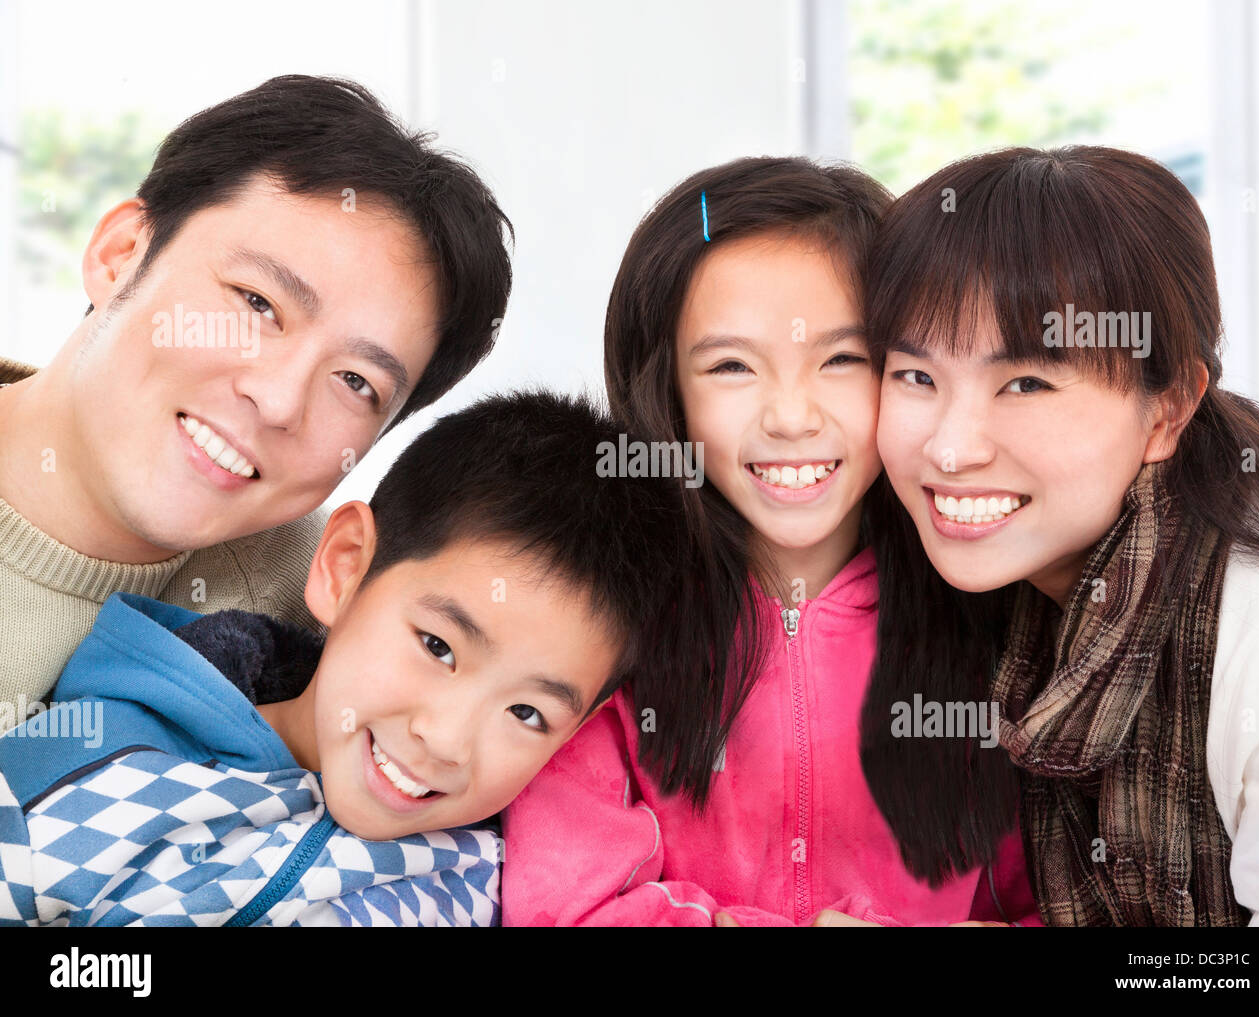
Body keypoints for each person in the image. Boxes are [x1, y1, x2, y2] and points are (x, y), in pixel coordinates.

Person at [502, 157, 1038, 926]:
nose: (791, 416)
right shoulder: (600, 621)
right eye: (730, 365)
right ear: (670, 395)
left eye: (842, 358)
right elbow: (563, 907)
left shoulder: (1000, 618)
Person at [0, 391, 690, 925]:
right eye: (438, 646)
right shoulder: (93, 765)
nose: (446, 739)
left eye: (526, 712)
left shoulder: (501, 877)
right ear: (343, 567)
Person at [862, 145, 1259, 925]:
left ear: (1166, 409)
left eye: (1026, 383)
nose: (951, 449)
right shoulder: (1011, 596)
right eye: (916, 376)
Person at [0, 75, 513, 728]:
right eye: (258, 303)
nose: (277, 400)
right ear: (120, 254)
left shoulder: (332, 611)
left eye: (357, 382)